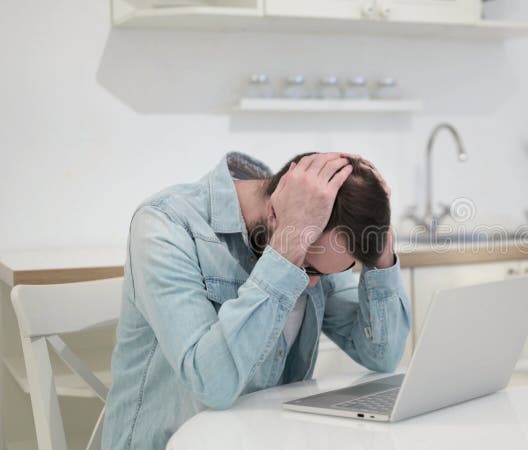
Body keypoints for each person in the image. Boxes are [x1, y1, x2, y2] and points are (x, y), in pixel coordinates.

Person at [102, 152, 411, 450]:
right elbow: (213, 385)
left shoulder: (320, 236)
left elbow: (381, 356)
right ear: (275, 214)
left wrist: (380, 244)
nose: (312, 283)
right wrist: (286, 252)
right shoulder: (165, 223)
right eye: (307, 267)